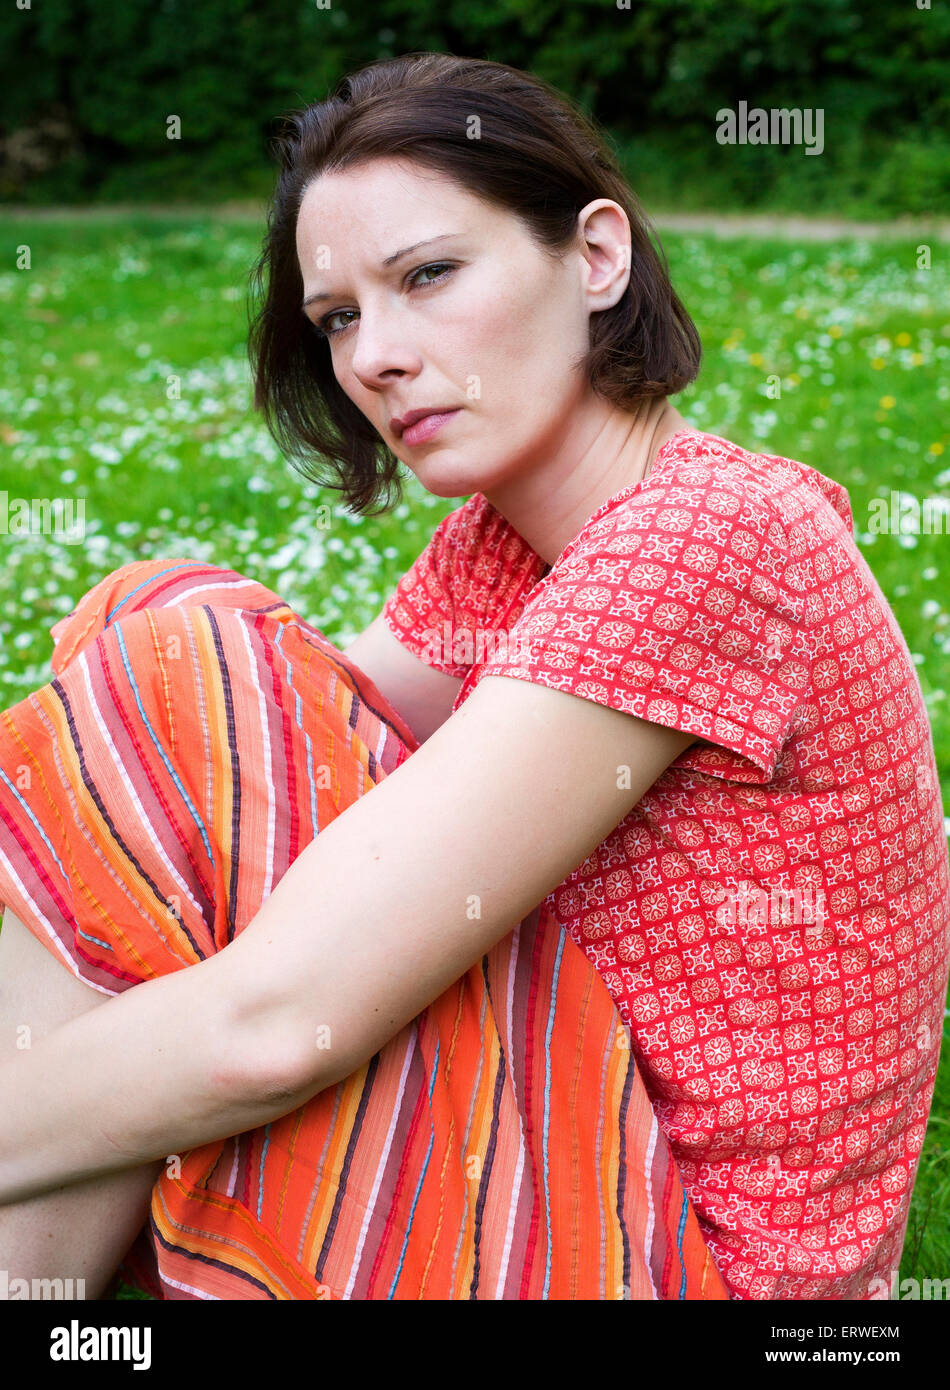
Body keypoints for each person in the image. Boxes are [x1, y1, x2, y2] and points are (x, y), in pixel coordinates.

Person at [0, 51, 946, 1303]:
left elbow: (277, 1028)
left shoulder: (707, 537)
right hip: (578, 1165)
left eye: (427, 276)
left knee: (179, 656)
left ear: (595, 256)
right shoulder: (511, 544)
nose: (374, 356)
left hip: (697, 1272)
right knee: (158, 629)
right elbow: (247, 779)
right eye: (337, 316)